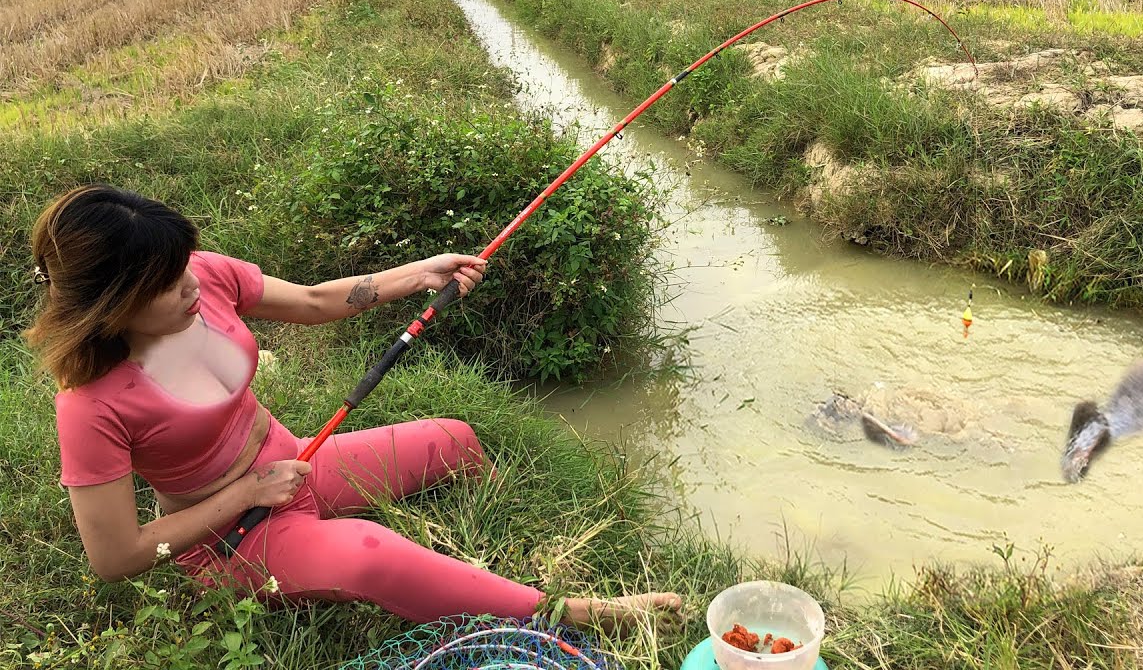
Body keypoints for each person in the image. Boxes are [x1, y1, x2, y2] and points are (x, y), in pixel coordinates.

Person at [25, 183, 681, 629]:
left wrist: (416, 274)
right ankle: (572, 611)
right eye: (167, 283)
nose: (193, 282)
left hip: (298, 462)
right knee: (371, 555)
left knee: (454, 438)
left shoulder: (201, 277)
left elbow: (312, 302)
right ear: (110, 304)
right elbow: (117, 559)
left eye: (185, 264)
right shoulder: (91, 405)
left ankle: (508, 529)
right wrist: (249, 492)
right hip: (231, 536)